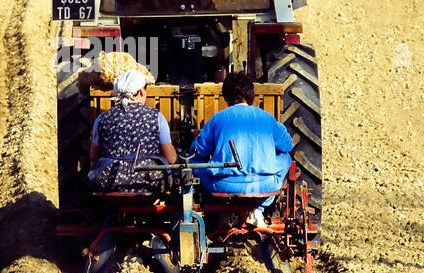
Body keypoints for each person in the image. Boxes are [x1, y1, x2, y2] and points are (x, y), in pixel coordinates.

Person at [188, 72, 294, 224]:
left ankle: (220, 213)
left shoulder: (218, 119)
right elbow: (287, 145)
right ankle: (259, 209)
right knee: (286, 157)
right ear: (251, 95)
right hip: (264, 185)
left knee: (196, 164)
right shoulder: (268, 118)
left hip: (224, 185)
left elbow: (197, 151)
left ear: (226, 97)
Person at [87, 69, 178, 193]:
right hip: (149, 183)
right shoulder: (156, 117)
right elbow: (171, 158)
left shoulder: (102, 118)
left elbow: (93, 155)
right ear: (141, 91)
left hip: (108, 183)